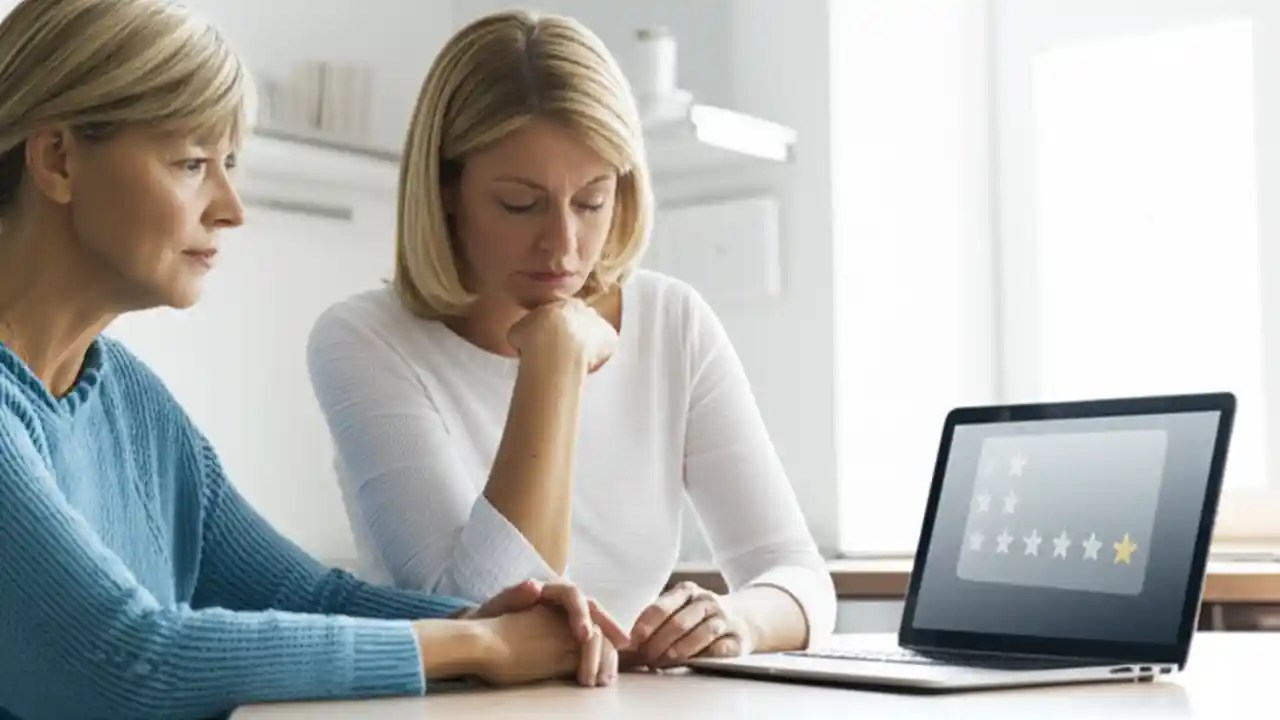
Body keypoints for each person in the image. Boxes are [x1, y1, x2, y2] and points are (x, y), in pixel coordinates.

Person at [0, 2, 627, 718]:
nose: (232, 208)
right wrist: (477, 647)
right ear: (56, 159)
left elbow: (308, 597)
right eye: (191, 163)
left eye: (229, 164)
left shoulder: (130, 401)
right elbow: (128, 660)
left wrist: (491, 620)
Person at [306, 9, 837, 673]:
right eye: (520, 204)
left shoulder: (673, 320)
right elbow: (477, 614)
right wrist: (553, 363)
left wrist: (737, 621)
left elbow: (797, 573)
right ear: (446, 190)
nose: (563, 245)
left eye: (591, 201)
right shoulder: (362, 340)